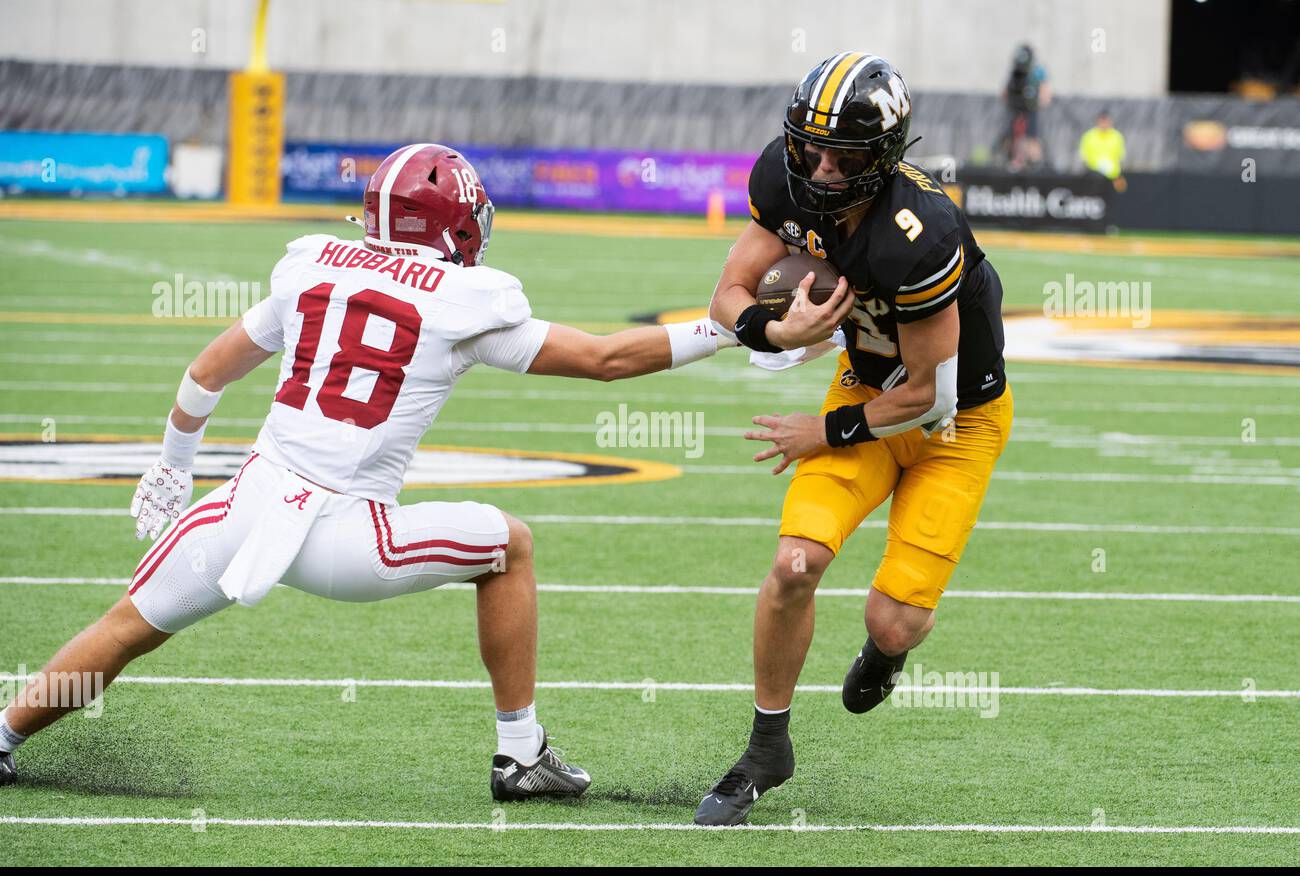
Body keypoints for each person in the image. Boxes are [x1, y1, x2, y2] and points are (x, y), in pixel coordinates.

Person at [0, 143, 735, 798]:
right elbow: (605, 360)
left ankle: (3, 737)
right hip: (346, 536)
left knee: (127, 625)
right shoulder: (462, 303)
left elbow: (205, 372)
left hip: (246, 503)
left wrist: (173, 466)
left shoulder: (312, 266)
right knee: (508, 547)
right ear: (456, 223)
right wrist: (723, 330)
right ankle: (520, 754)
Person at [698, 53, 1013, 825]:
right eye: (812, 147)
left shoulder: (921, 231)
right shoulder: (784, 175)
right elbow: (729, 291)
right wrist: (772, 329)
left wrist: (824, 430)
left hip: (954, 422)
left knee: (893, 618)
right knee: (794, 562)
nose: (822, 167)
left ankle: (887, 653)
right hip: (869, 390)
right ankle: (767, 746)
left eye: (845, 155)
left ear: (886, 154)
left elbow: (926, 393)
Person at [1004, 44, 1051, 171]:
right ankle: (1017, 161)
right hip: (1017, 110)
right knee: (1015, 137)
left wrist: (1037, 102)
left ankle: (1035, 164)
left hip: (1031, 110)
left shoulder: (1037, 71)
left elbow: (1045, 93)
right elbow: (1006, 92)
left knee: (1032, 138)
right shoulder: (1015, 72)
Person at [1079, 109, 1126, 181]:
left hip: (1113, 176)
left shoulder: (1117, 136)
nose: (1104, 123)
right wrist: (1097, 166)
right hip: (1094, 175)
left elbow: (1120, 155)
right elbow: (1084, 155)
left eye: (1106, 120)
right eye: (1102, 120)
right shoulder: (1089, 136)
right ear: (1098, 121)